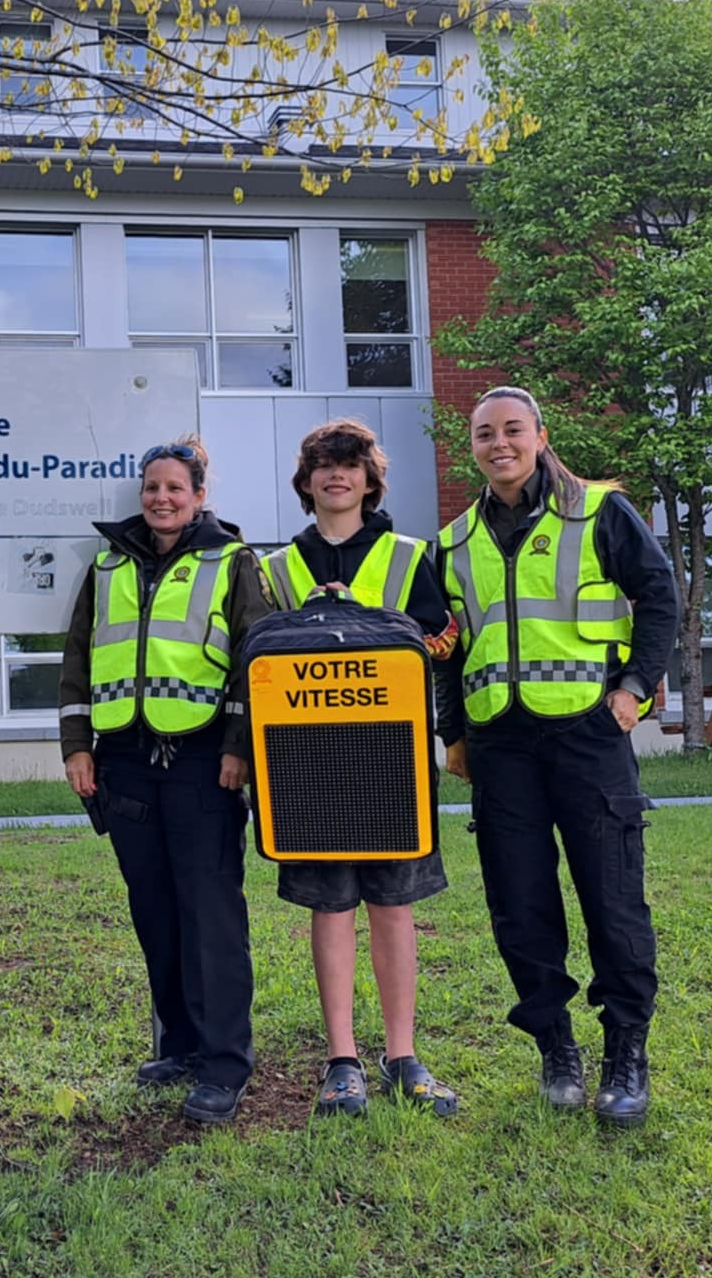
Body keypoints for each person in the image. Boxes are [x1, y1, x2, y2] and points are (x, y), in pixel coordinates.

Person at [436, 386, 676, 1128]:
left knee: (612, 896)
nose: (498, 443)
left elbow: (661, 594)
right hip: (499, 743)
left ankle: (626, 1053)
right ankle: (555, 1047)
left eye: (512, 430)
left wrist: (635, 685)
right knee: (520, 902)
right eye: (484, 434)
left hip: (587, 733)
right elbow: (444, 647)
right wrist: (454, 733)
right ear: (470, 446)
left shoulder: (600, 511)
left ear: (540, 434)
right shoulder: (452, 541)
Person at [58, 436, 271, 1125]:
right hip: (122, 761)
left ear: (200, 496)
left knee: (211, 913)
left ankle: (224, 1063)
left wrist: (239, 747)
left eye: (176, 488)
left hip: (206, 761)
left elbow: (253, 658)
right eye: (152, 487)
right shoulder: (107, 564)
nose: (161, 498)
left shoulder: (233, 562)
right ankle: (179, 1044)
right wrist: (76, 746)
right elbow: (78, 660)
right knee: (154, 911)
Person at [261, 418, 462, 1120]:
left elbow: (444, 643)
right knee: (330, 908)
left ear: (371, 479)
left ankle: (403, 1055)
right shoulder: (278, 567)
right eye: (323, 466)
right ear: (307, 482)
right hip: (304, 765)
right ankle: (341, 1059)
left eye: (349, 465)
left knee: (393, 907)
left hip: (394, 760)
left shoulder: (410, 557)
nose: (336, 476)